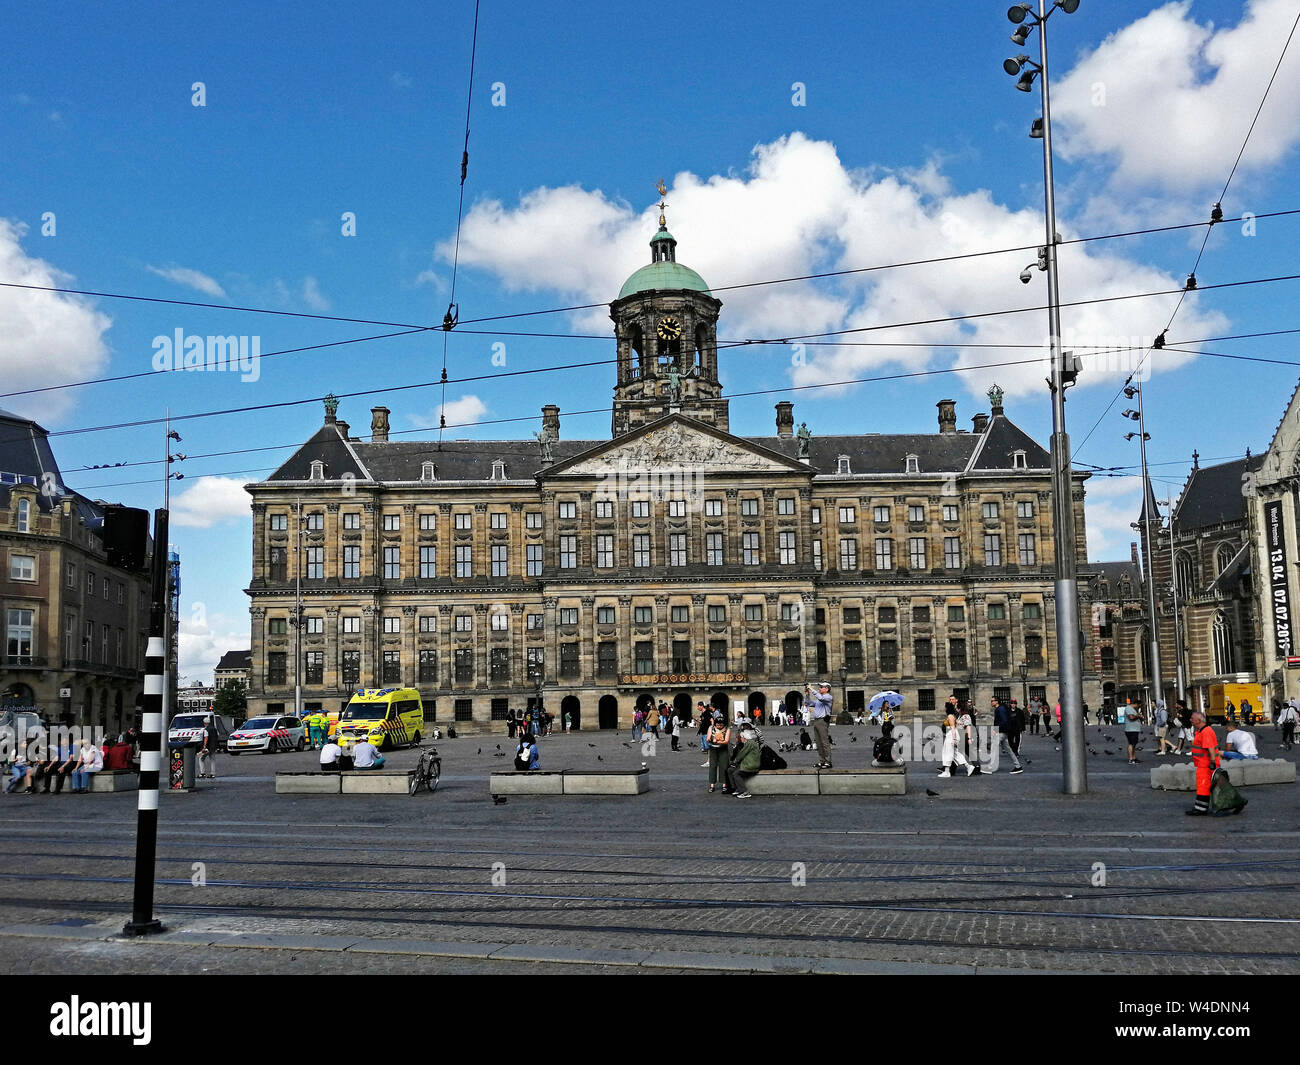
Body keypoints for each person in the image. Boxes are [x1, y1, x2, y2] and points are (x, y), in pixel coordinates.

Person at [1187, 710, 1220, 816]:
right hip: (1203, 764)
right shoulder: (1202, 731)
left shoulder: (1205, 732)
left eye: (1192, 718)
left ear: (1199, 720)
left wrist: (1212, 762)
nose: (1190, 720)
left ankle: (1200, 809)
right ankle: (1200, 808)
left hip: (1206, 765)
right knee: (1203, 787)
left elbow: (1210, 748)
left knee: (1203, 787)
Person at [938, 704, 977, 778]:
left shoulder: (950, 716)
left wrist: (954, 739)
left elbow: (953, 728)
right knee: (956, 753)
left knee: (947, 752)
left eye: (945, 708)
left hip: (952, 735)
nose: (944, 709)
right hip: (952, 735)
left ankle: (947, 772)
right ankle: (968, 766)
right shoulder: (954, 716)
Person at [991, 697, 1024, 774]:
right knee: (1009, 750)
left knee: (993, 748)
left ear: (997, 702)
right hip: (1004, 732)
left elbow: (1004, 721)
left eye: (992, 701)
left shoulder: (1000, 709)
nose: (991, 702)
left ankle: (991, 766)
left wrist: (995, 730)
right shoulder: (1001, 708)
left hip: (1001, 732)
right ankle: (1018, 766)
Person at [726, 726, 761, 798]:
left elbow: (742, 754)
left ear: (744, 737)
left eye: (741, 738)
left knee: (736, 774)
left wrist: (734, 761)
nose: (740, 739)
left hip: (751, 765)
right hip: (747, 764)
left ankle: (744, 791)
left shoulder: (749, 743)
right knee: (730, 770)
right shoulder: (749, 743)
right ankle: (737, 788)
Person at [806, 681, 833, 769]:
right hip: (817, 721)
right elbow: (809, 703)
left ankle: (828, 761)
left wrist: (811, 688)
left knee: (824, 742)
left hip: (823, 721)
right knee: (818, 742)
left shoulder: (828, 697)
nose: (819, 688)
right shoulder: (819, 699)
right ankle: (822, 761)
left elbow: (821, 698)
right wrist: (807, 694)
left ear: (827, 689)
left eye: (821, 687)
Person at [706, 712, 731, 794]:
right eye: (718, 725)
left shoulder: (727, 729)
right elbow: (708, 738)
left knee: (724, 766)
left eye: (721, 725)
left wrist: (719, 741)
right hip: (713, 749)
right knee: (712, 766)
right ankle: (712, 785)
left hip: (723, 749)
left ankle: (724, 785)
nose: (719, 727)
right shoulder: (711, 728)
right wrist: (711, 739)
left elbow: (726, 741)